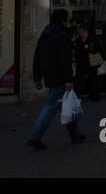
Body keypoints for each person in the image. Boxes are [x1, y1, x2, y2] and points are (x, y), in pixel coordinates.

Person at [26, 10, 84, 149]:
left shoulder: (45, 35)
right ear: (63, 21)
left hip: (50, 76)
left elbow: (37, 57)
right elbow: (65, 60)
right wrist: (68, 79)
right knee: (52, 106)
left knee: (65, 106)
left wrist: (37, 77)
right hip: (60, 77)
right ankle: (34, 136)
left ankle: (75, 134)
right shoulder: (62, 36)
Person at [73, 23, 100, 102]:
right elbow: (76, 49)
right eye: (79, 32)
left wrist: (87, 48)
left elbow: (95, 49)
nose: (80, 34)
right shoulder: (79, 40)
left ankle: (95, 96)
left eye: (81, 32)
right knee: (79, 80)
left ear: (85, 31)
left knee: (92, 79)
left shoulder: (92, 39)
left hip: (91, 63)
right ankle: (77, 96)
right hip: (81, 63)